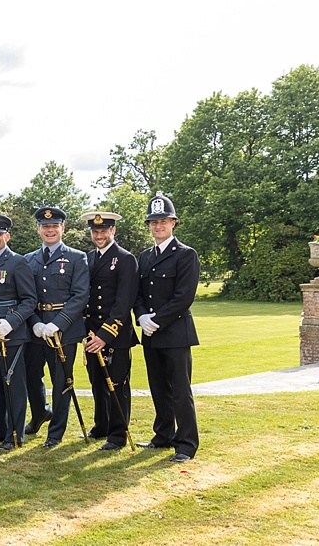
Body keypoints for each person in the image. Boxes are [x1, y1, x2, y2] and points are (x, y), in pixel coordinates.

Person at [134, 192, 200, 463]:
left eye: (163, 221)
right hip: (150, 334)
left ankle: (185, 444)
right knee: (158, 387)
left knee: (180, 391)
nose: (158, 226)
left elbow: (183, 297)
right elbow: (137, 293)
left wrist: (156, 320)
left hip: (174, 334)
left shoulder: (185, 255)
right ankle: (163, 435)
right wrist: (141, 317)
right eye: (153, 222)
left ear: (173, 223)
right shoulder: (145, 256)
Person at [24, 206, 90, 448]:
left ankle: (56, 433)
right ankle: (41, 412)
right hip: (36, 328)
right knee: (31, 375)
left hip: (65, 330)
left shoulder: (77, 257)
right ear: (39, 229)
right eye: (45, 226)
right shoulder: (28, 259)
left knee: (61, 381)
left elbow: (80, 296)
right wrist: (35, 323)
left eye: (54, 226)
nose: (49, 230)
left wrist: (57, 324)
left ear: (62, 228)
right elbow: (25, 296)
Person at [0, 214, 38, 451]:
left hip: (12, 332)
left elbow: (29, 300)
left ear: (7, 236)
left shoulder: (18, 262)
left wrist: (11, 322)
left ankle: (14, 435)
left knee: (12, 384)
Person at [80, 211, 138, 452]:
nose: (99, 235)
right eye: (95, 231)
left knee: (117, 385)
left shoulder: (125, 259)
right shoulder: (89, 258)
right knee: (97, 383)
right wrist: (88, 333)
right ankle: (101, 425)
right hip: (93, 335)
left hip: (115, 335)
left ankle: (117, 434)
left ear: (113, 231)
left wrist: (105, 335)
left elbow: (124, 303)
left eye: (104, 231)